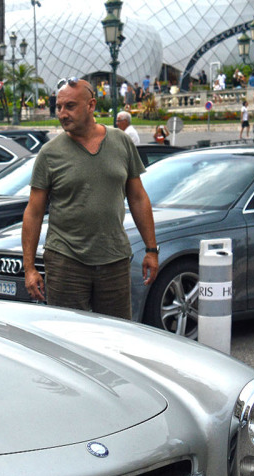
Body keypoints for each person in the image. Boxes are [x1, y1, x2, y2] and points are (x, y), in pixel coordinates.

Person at [22, 79, 159, 319]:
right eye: (59, 107)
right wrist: (30, 268)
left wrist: (151, 249)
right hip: (66, 260)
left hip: (113, 259)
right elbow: (33, 211)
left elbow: (138, 197)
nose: (62, 114)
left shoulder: (121, 141)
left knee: (116, 336)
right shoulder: (50, 153)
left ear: (91, 105)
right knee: (69, 337)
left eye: (70, 106)